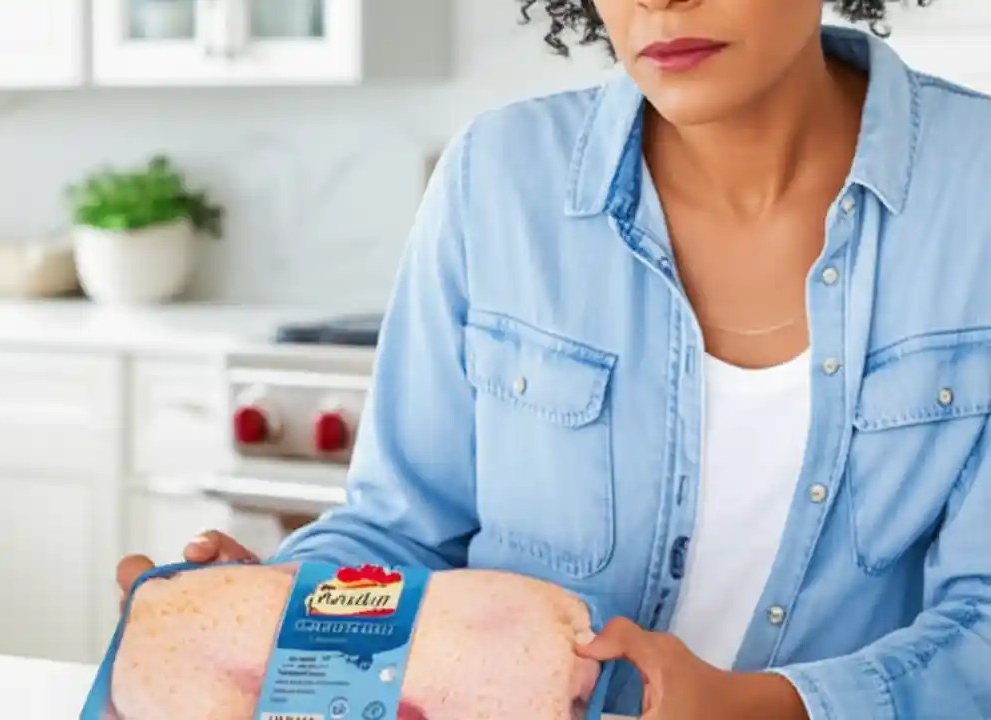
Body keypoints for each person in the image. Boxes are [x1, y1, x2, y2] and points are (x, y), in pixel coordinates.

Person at [117, 1, 991, 717]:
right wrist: (270, 610)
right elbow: (404, 529)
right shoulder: (497, 176)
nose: (661, 1)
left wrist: (758, 705)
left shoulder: (976, 190)